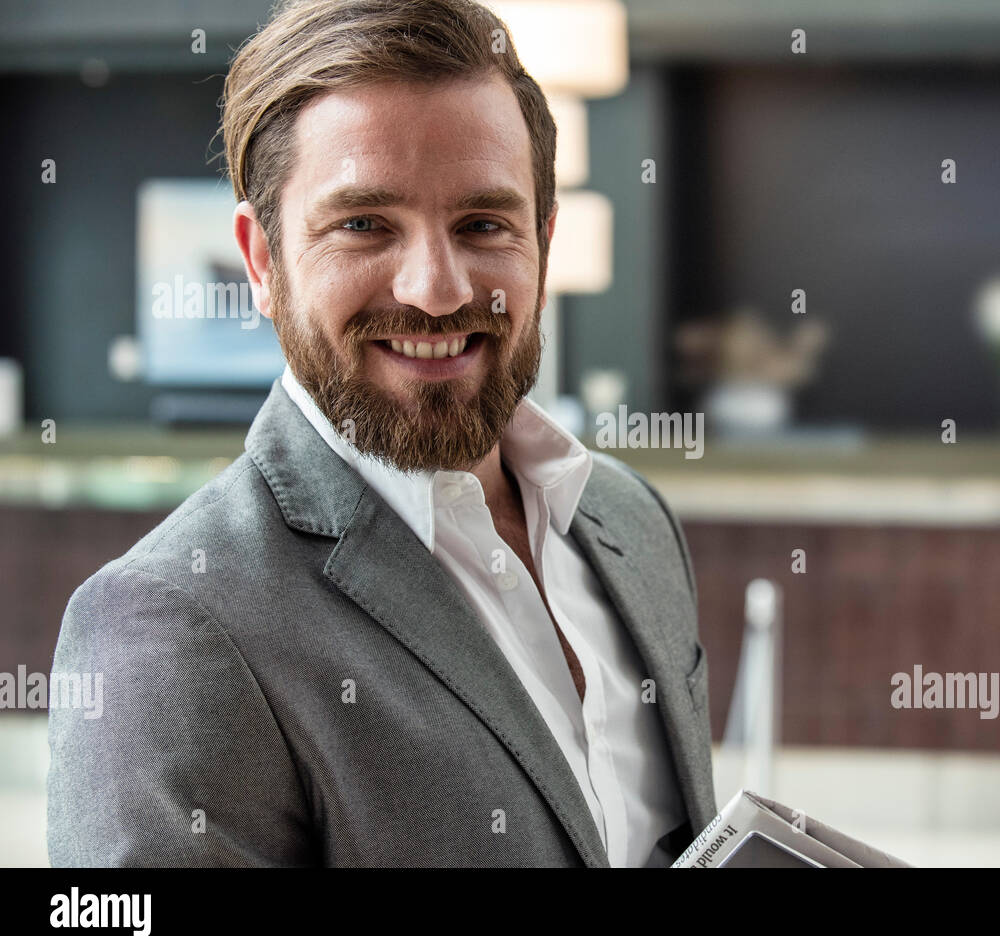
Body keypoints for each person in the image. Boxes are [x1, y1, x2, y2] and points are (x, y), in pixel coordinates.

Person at [47, 0, 715, 867]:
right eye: (364, 225)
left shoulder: (632, 522)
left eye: (483, 225)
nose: (436, 289)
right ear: (262, 259)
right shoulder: (166, 626)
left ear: (543, 246)